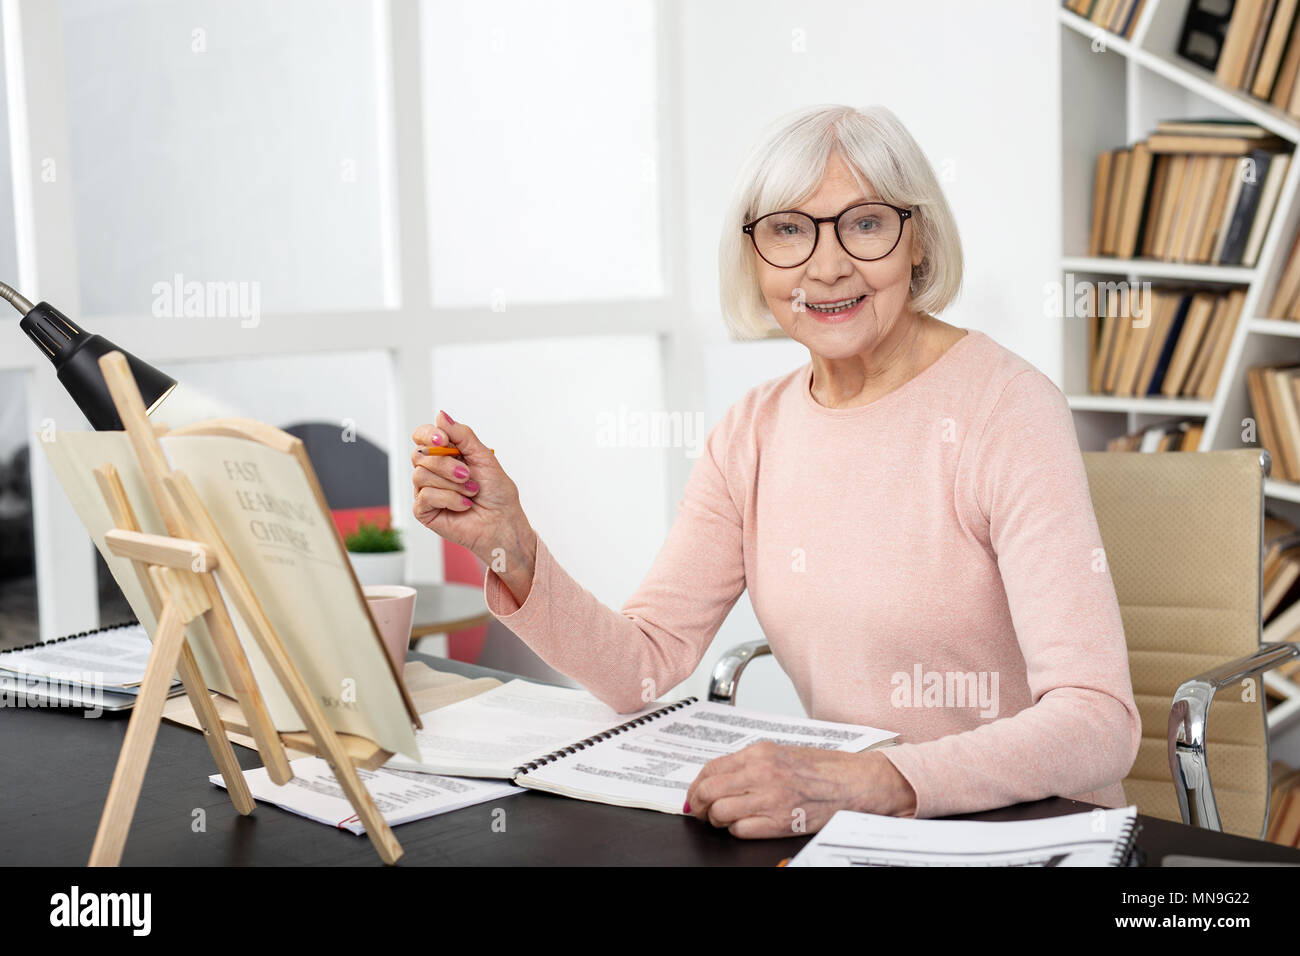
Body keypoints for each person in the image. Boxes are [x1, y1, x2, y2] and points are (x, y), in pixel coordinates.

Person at [410, 103, 1140, 839]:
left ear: (916, 241)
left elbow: (1098, 720)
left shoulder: (1007, 408)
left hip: (1025, 831)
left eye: (864, 223)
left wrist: (879, 783)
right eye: (789, 230)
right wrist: (512, 546)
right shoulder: (752, 431)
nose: (827, 267)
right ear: (755, 258)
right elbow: (644, 663)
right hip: (854, 831)